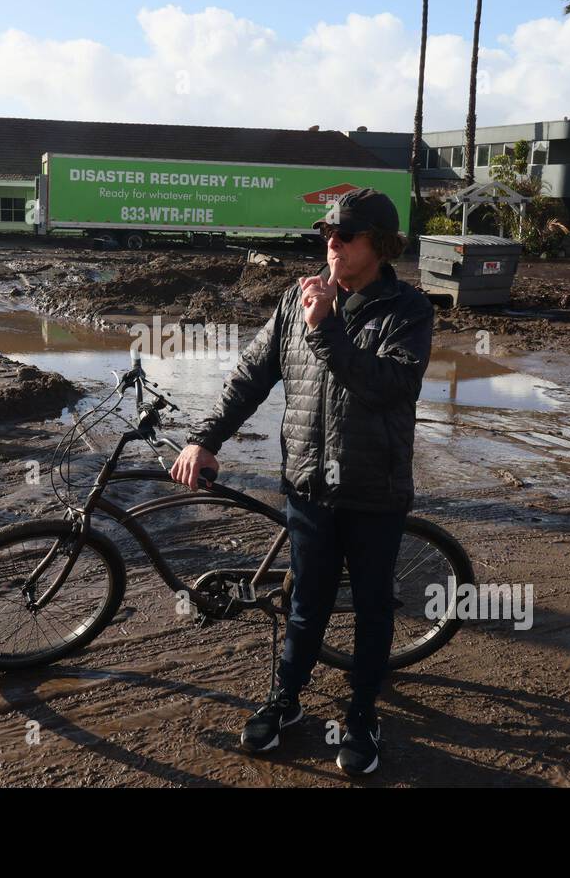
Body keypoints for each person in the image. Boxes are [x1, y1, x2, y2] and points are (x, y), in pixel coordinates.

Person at [169, 187, 434, 776]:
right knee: (304, 605)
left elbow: (391, 387)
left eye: (345, 235)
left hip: (374, 491)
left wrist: (328, 330)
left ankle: (363, 715)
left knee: (371, 608)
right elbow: (250, 376)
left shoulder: (409, 310)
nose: (331, 244)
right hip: (309, 486)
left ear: (380, 245)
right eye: (326, 234)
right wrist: (204, 439)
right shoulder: (298, 299)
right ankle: (286, 700)